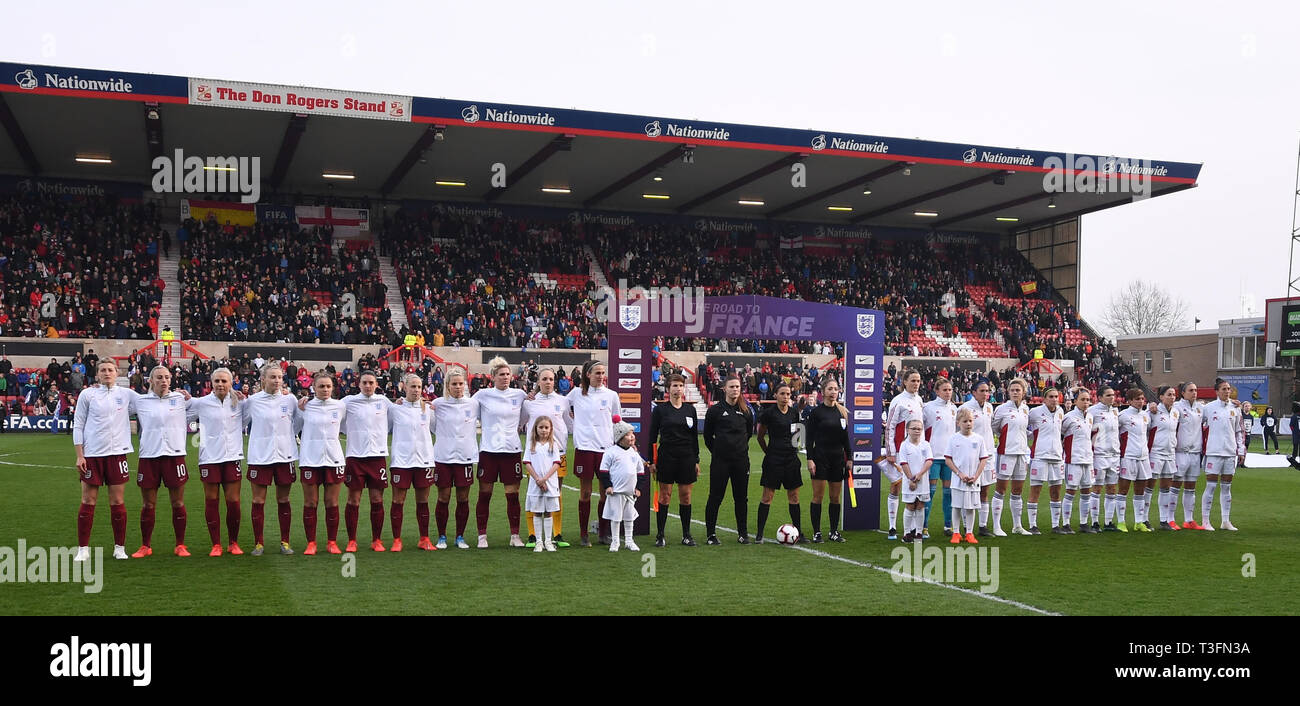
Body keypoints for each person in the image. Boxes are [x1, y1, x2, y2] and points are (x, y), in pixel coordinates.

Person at [73, 360, 136, 562]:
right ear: (97, 374)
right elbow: (78, 424)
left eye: (110, 370)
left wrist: (179, 396)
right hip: (91, 456)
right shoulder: (87, 394)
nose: (107, 373)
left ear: (117, 373)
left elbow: (151, 401)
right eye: (103, 370)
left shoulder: (126, 394)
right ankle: (83, 548)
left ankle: (119, 547)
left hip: (117, 454)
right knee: (88, 500)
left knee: (117, 501)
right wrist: (80, 455)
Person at [129, 366, 193, 557]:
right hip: (149, 456)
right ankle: (145, 546)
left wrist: (235, 395)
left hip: (175, 455)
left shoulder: (180, 399)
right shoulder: (140, 401)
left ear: (171, 380)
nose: (163, 380)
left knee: (178, 503)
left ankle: (180, 545)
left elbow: (207, 403)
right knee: (148, 504)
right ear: (151, 380)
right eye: (159, 377)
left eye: (166, 377)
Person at [242, 364, 301, 556]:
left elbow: (298, 422)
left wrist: (288, 438)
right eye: (272, 377)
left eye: (279, 377)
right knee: (258, 500)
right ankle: (259, 543)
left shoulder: (290, 400)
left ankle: (285, 542)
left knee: (283, 499)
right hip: (260, 457)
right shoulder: (253, 401)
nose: (277, 381)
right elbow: (239, 420)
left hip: (285, 456)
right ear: (263, 379)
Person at [186, 367, 245, 556]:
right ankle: (216, 544)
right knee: (211, 500)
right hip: (209, 458)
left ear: (231, 383)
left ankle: (233, 543)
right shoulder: (201, 403)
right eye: (217, 381)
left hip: (232, 457)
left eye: (224, 381)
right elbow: (179, 417)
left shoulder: (241, 403)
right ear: (211, 383)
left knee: (233, 501)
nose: (220, 384)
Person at [473, 357, 528, 548]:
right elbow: (467, 409)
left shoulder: (519, 394)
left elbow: (525, 417)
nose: (505, 377)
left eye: (507, 374)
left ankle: (515, 536)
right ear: (493, 377)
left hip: (511, 451)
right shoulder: (482, 395)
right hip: (488, 451)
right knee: (484, 494)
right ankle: (482, 536)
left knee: (512, 495)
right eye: (501, 375)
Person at [567, 360, 621, 547]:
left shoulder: (612, 395)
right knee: (586, 492)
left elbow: (616, 421)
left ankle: (603, 533)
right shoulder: (576, 394)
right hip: (584, 448)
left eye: (602, 373)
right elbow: (561, 408)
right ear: (587, 375)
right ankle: (583, 535)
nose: (600, 376)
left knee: (606, 493)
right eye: (597, 373)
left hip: (605, 449)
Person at [340, 371, 394, 552]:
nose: (368, 386)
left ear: (376, 384)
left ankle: (376, 540)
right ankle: (351, 540)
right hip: (355, 457)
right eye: (365, 382)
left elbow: (395, 420)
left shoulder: (384, 402)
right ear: (358, 384)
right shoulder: (348, 401)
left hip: (377, 457)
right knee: (353, 500)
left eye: (371, 382)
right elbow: (334, 416)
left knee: (377, 499)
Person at [296, 372, 348, 555]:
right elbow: (292, 427)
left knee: (331, 502)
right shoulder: (304, 407)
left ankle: (332, 542)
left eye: (328, 386)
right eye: (321, 386)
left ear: (332, 388)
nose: (325, 389)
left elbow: (350, 426)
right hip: (310, 460)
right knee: (310, 503)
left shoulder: (340, 406)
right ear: (314, 388)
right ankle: (311, 542)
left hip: (334, 460)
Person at [520, 368, 572, 547]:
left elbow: (568, 423)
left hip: (558, 454)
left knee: (556, 493)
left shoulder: (563, 401)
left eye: (551, 379)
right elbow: (520, 423)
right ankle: (533, 535)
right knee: (534, 492)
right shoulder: (529, 403)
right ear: (538, 381)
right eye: (544, 379)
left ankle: (556, 534)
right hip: (535, 455)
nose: (548, 382)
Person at [703, 374, 755, 544]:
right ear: (724, 388)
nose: (734, 390)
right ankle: (711, 535)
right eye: (731, 387)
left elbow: (747, 434)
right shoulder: (715, 411)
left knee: (741, 498)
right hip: (720, 462)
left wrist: (737, 450)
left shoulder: (746, 411)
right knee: (715, 497)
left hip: (741, 462)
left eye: (737, 387)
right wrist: (719, 451)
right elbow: (707, 437)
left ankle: (743, 533)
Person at [648, 373, 699, 547]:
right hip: (666, 457)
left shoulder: (690, 410)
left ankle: (686, 535)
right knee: (665, 495)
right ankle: (660, 535)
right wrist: (651, 461)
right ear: (668, 389)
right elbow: (652, 437)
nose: (678, 389)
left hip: (686, 457)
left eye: (680, 385)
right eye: (674, 386)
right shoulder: (660, 410)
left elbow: (694, 438)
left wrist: (696, 460)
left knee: (685, 496)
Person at [431, 368, 479, 549]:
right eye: (454, 384)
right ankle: (442, 536)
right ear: (447, 386)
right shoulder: (438, 404)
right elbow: (432, 426)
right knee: (443, 497)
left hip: (465, 458)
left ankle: (460, 536)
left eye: (461, 383)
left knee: (463, 498)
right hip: (443, 457)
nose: (458, 387)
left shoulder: (473, 404)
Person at [388, 374, 436, 552]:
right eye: (413, 386)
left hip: (424, 461)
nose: (416, 390)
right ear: (404, 387)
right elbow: (382, 426)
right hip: (401, 461)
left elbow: (438, 429)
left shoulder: (428, 409)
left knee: (423, 501)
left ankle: (424, 538)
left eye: (419, 387)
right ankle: (396, 540)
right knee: (398, 500)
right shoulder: (395, 409)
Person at [754, 382, 804, 544]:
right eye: (782, 394)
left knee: (794, 497)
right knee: (767, 497)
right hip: (773, 460)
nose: (785, 397)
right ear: (775, 395)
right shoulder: (769, 414)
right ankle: (759, 534)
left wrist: (795, 450)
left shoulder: (794, 413)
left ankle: (799, 533)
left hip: (791, 460)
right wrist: (769, 453)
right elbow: (760, 437)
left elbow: (799, 437)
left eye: (788, 394)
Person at [805, 376, 852, 542]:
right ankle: (817, 532)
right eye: (830, 389)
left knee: (835, 497)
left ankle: (833, 531)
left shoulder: (842, 412)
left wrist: (849, 457)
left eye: (836, 389)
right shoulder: (816, 413)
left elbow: (845, 438)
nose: (833, 392)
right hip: (820, 458)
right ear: (823, 392)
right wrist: (810, 459)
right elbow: (809, 439)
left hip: (837, 459)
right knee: (818, 496)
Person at [882, 369, 924, 540]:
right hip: (900, 450)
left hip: (916, 452)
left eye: (918, 380)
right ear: (904, 382)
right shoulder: (897, 401)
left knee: (915, 485)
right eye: (913, 380)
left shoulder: (920, 400)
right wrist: (891, 451)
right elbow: (890, 427)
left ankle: (913, 528)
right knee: (897, 485)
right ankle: (892, 525)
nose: (916, 383)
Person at [1201, 379, 1245, 531]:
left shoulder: (1236, 407)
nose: (1227, 391)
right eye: (1224, 389)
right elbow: (1197, 426)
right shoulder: (1208, 408)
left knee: (1227, 487)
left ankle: (1225, 521)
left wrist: (1240, 450)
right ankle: (1205, 520)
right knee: (1211, 486)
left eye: (1228, 389)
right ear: (1217, 391)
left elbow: (1239, 431)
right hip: (1213, 452)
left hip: (1230, 452)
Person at [600, 419, 650, 552]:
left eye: (632, 433)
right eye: (628, 434)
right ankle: (615, 541)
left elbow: (640, 471)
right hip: (616, 492)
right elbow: (604, 470)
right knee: (616, 517)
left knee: (629, 517)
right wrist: (608, 486)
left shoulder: (634, 453)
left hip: (630, 493)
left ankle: (629, 540)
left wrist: (638, 488)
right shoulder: (611, 452)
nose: (632, 436)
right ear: (620, 437)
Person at [991, 378, 1031, 536]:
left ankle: (1017, 526)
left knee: (1018, 490)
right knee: (1001, 489)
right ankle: (996, 526)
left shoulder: (1026, 409)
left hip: (1022, 453)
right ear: (1008, 392)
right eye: (1012, 390)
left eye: (1018, 390)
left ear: (1023, 392)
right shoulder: (1001, 409)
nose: (1015, 392)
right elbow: (995, 428)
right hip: (1006, 453)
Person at [959, 380, 997, 536]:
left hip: (987, 453)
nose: (985, 394)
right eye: (982, 390)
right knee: (967, 491)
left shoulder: (989, 407)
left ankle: (983, 526)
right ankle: (965, 527)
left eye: (987, 391)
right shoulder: (964, 408)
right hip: (970, 455)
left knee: (985, 490)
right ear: (974, 392)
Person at [945, 407, 989, 544]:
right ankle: (956, 533)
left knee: (971, 507)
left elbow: (983, 459)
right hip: (958, 480)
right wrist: (959, 474)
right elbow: (948, 459)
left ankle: (969, 533)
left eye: (970, 421)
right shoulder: (953, 439)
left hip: (973, 480)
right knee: (957, 506)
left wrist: (976, 476)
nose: (968, 423)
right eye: (965, 421)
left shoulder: (979, 439)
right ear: (958, 422)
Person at [1026, 387, 1066, 535]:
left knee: (1056, 491)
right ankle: (1032, 525)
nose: (1054, 399)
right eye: (1051, 396)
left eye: (1056, 396)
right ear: (1044, 398)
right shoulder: (1035, 412)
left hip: (1056, 456)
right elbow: (1021, 426)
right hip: (1039, 456)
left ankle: (1055, 525)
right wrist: (1031, 436)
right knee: (1035, 490)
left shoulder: (1061, 411)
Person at [922, 378, 957, 535]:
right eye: (945, 390)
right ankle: (924, 526)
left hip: (949, 458)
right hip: (933, 457)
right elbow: (920, 430)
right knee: (930, 492)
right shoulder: (928, 407)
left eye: (950, 390)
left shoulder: (954, 408)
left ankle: (948, 525)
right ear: (937, 391)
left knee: (948, 493)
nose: (948, 393)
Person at [524, 416, 564, 552]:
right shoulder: (531, 444)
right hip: (535, 484)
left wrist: (545, 479)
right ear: (536, 428)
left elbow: (556, 464)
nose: (543, 430)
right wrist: (537, 479)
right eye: (541, 427)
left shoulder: (554, 444)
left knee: (548, 512)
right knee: (537, 512)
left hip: (550, 484)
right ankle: (538, 542)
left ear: (550, 429)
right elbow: (527, 463)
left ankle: (548, 541)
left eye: (546, 427)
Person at [1116, 388, 1152, 533]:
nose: (1140, 401)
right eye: (1137, 399)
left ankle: (1139, 522)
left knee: (1140, 491)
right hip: (1128, 457)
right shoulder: (1123, 416)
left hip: (1143, 457)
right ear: (1129, 401)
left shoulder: (1146, 416)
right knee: (1123, 490)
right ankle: (1121, 522)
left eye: (1142, 398)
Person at [1061, 388, 1096, 533]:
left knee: (1086, 492)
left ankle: (1083, 524)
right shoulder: (1068, 417)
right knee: (1070, 491)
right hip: (1073, 459)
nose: (1086, 402)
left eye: (1088, 400)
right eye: (1083, 399)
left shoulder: (1090, 417)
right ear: (1075, 401)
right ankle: (1066, 523)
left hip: (1088, 459)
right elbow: (1060, 435)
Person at [1173, 382, 1207, 530]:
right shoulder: (1177, 407)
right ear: (1183, 393)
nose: (1194, 393)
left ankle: (1189, 520)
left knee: (1191, 487)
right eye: (1191, 390)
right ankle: (1170, 518)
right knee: (1175, 486)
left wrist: (1232, 403)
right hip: (1180, 452)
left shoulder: (1201, 408)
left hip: (1195, 452)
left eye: (1195, 390)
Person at [1089, 386, 1122, 532]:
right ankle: (1095, 521)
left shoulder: (1115, 412)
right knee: (1096, 488)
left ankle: (1108, 522)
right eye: (1108, 395)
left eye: (1113, 394)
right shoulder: (1092, 412)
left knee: (1112, 489)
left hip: (1114, 455)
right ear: (1100, 397)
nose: (1112, 397)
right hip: (1099, 455)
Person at [1147, 385, 1181, 530]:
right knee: (1149, 486)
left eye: (1174, 394)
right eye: (1169, 394)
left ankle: (1164, 520)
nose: (1172, 397)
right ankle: (1143, 519)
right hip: (1155, 452)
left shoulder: (1176, 412)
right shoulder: (1152, 412)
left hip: (1170, 453)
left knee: (1166, 486)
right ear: (1161, 397)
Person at [896, 420, 932, 542]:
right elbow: (904, 463)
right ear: (908, 430)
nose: (917, 431)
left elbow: (929, 461)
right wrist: (911, 478)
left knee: (920, 505)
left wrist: (920, 475)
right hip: (909, 481)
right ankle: (907, 533)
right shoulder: (904, 445)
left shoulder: (926, 444)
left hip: (922, 480)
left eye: (919, 429)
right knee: (910, 506)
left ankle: (918, 533)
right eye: (914, 428)